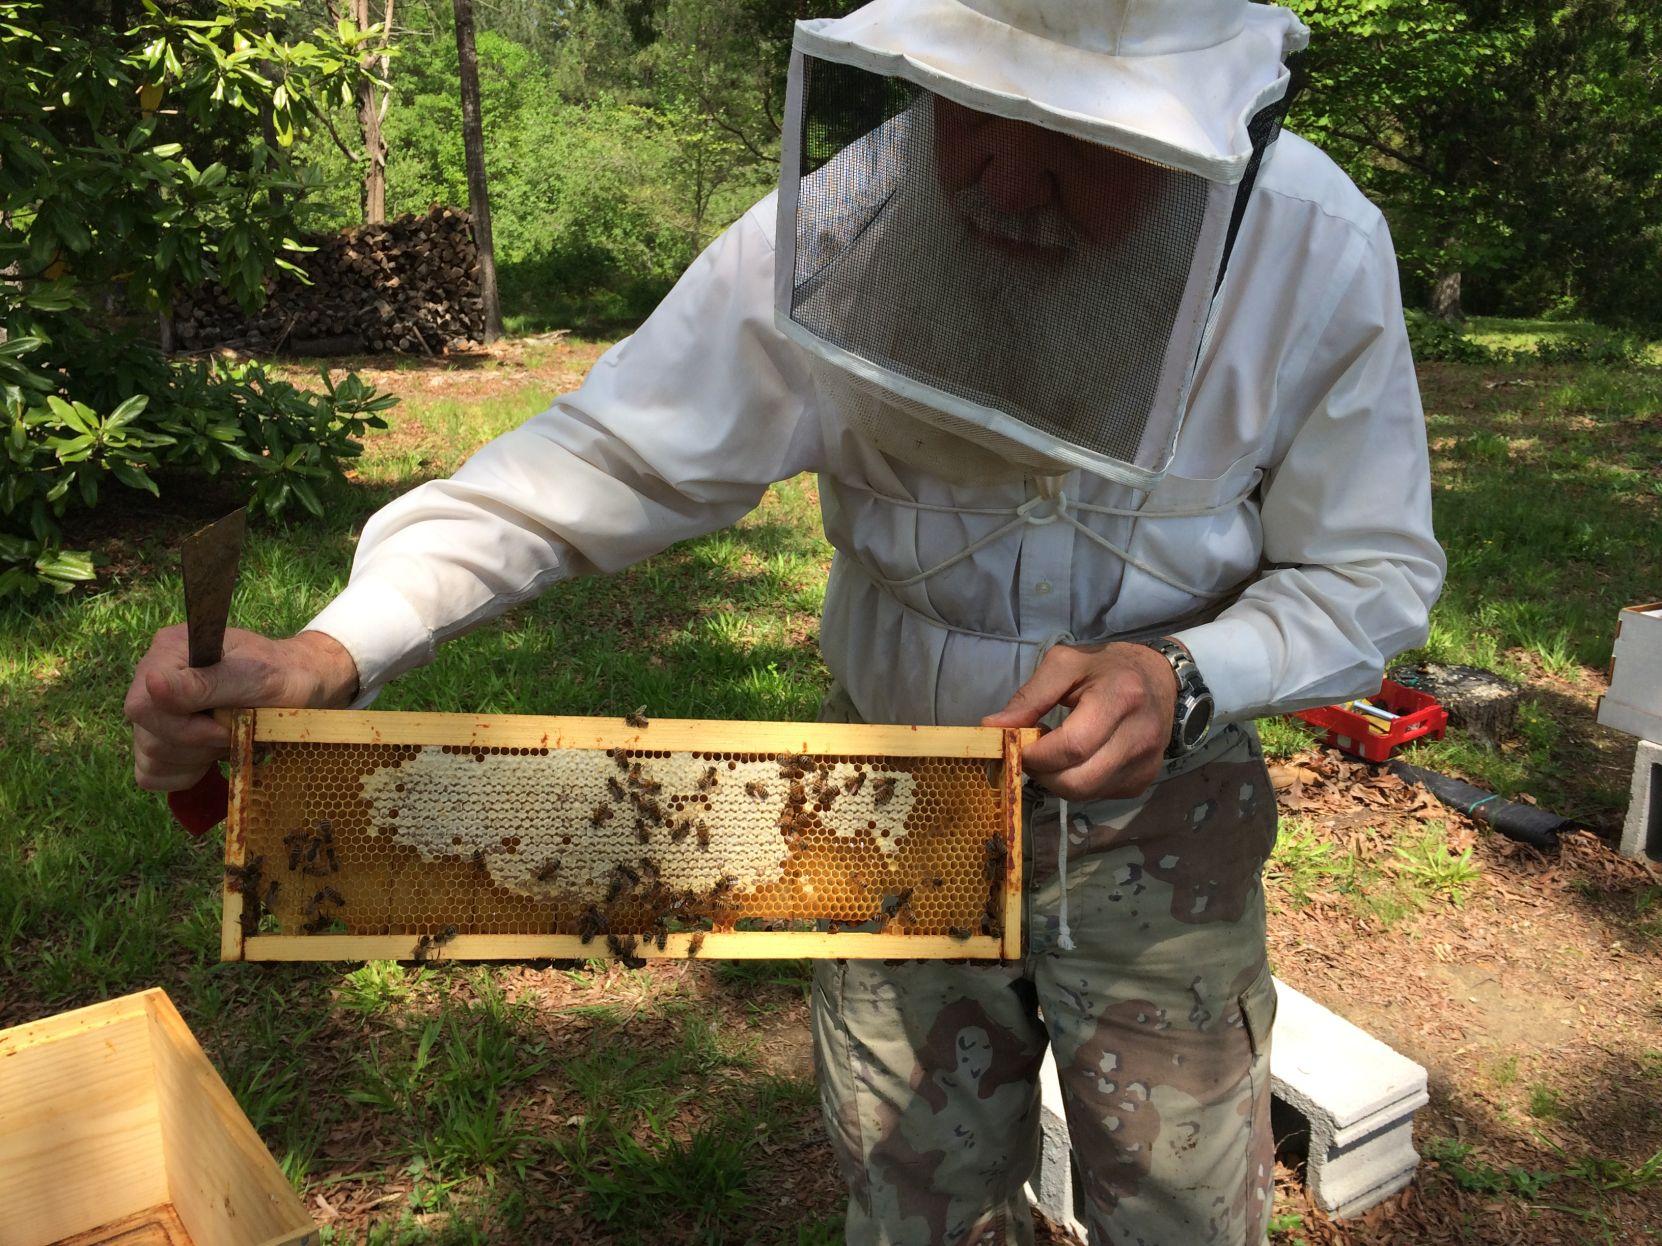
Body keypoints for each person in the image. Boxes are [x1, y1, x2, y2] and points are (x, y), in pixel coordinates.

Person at [126, 0, 1444, 1241]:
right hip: (887, 801)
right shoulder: (848, 219)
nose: (1001, 177)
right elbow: (599, 458)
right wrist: (335, 647)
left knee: (1181, 1211)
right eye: (974, 110)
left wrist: (1184, 674)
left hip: (1164, 833)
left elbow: (1368, 572)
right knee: (910, 1198)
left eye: (1076, 143)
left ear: (1198, 142)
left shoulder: (1313, 250)